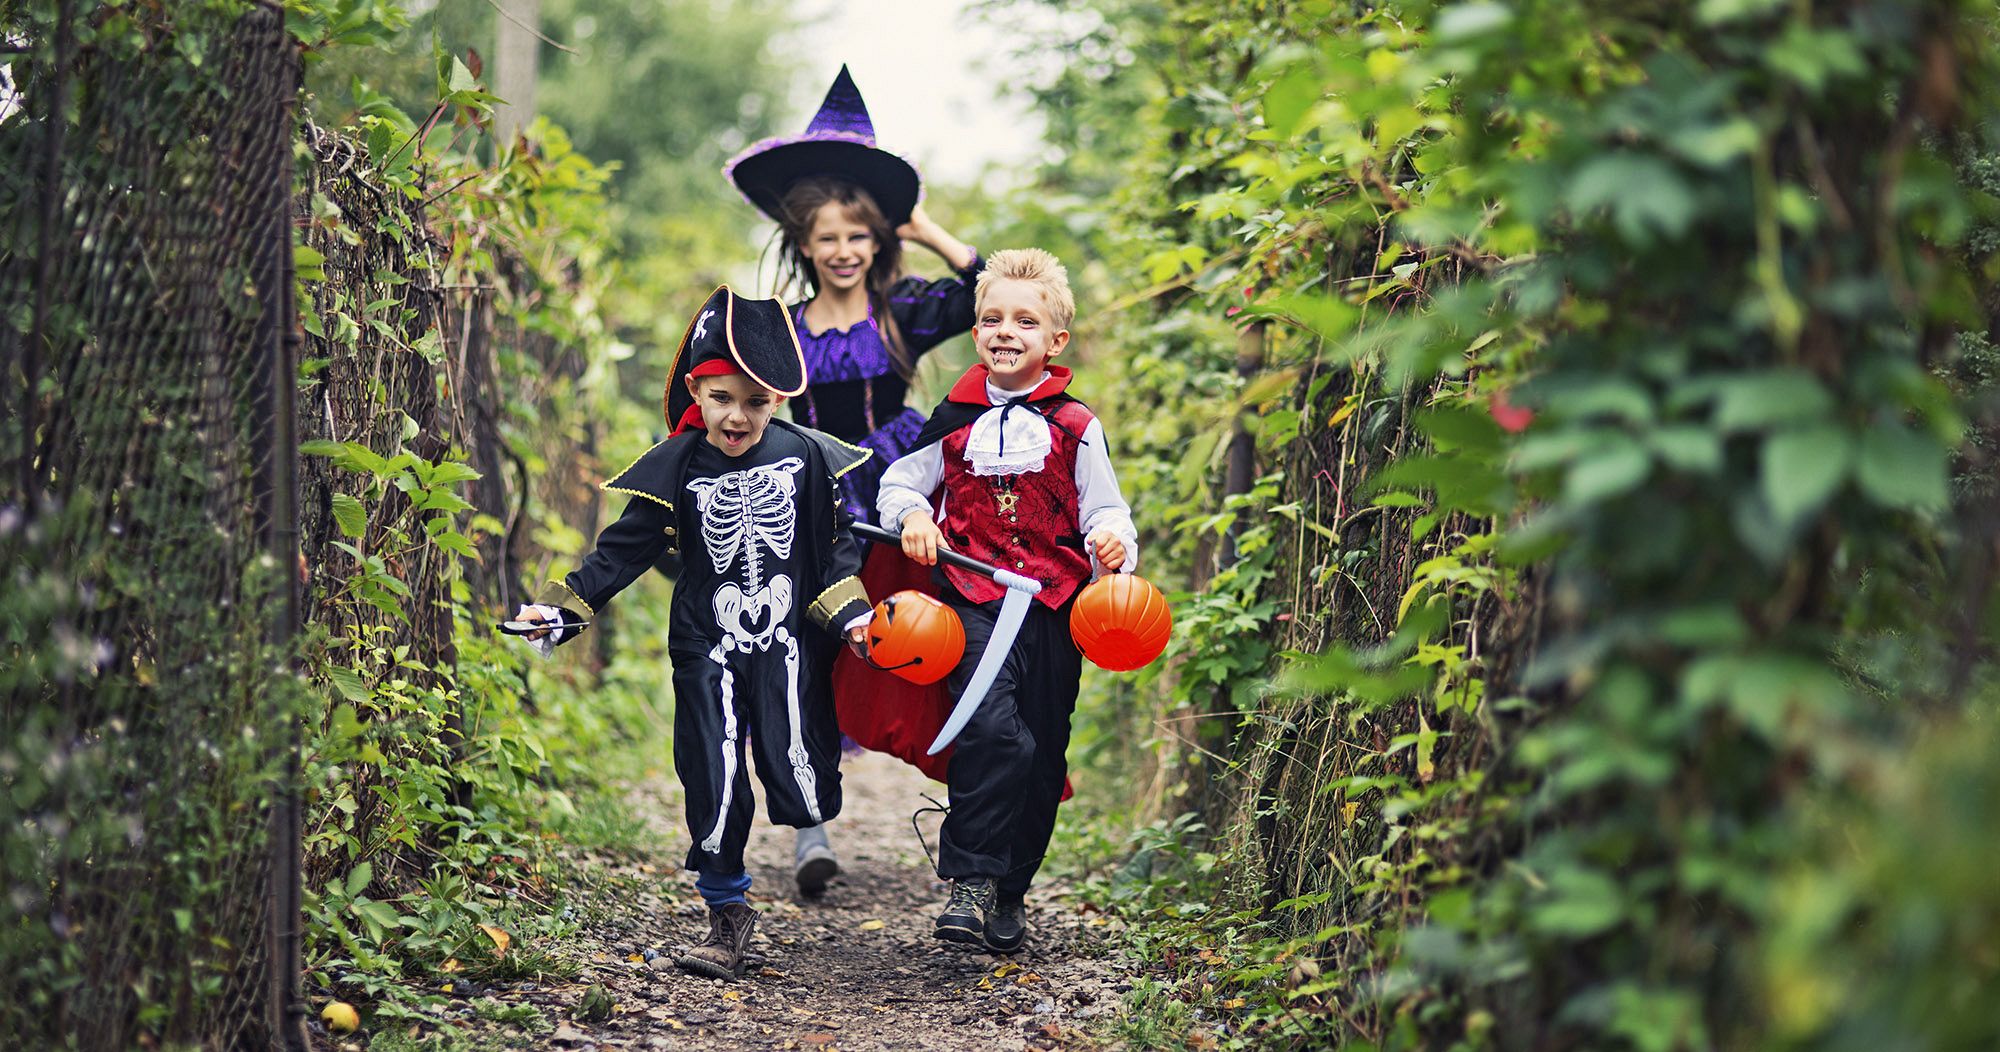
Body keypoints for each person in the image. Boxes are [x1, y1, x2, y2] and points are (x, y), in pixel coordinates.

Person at [514, 286, 874, 980]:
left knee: (797, 759)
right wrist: (558, 611)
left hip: (789, 639)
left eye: (756, 402)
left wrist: (851, 614)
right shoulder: (675, 466)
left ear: (778, 400)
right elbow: (620, 553)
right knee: (713, 764)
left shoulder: (806, 457)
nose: (737, 416)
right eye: (721, 399)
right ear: (695, 393)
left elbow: (837, 547)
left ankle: (802, 836)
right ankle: (726, 911)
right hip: (706, 639)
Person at [725, 65, 983, 891]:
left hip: (901, 496)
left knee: (933, 640)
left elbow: (990, 296)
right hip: (810, 501)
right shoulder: (781, 329)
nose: (843, 251)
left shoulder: (903, 311)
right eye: (828, 237)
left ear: (878, 242)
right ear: (804, 244)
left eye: (859, 236)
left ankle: (973, 811)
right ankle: (810, 827)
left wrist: (927, 228)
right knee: (803, 649)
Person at [875, 249, 1139, 954]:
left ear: (1055, 340)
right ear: (975, 333)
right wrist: (915, 516)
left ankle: (1011, 890)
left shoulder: (1076, 424)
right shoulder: (953, 417)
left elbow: (1107, 510)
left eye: (1025, 321)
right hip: (973, 599)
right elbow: (900, 484)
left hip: (1055, 608)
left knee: (1043, 752)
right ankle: (969, 880)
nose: (1005, 331)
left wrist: (1113, 543)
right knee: (991, 731)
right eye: (992, 318)